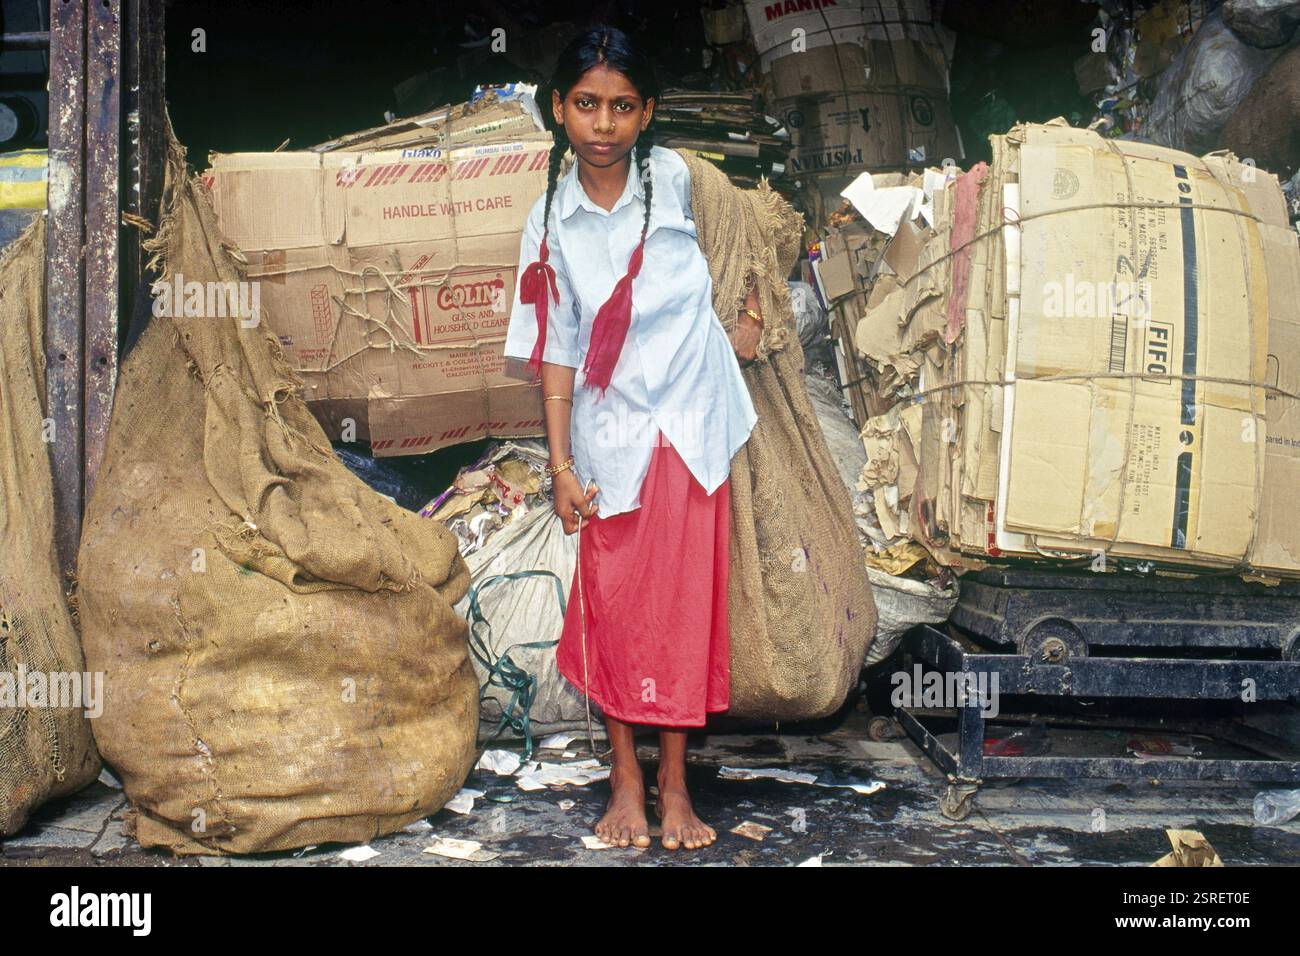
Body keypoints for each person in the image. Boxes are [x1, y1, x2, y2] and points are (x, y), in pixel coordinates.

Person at [502, 25, 766, 851]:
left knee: (682, 611)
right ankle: (624, 777)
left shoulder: (683, 180)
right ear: (559, 110)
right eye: (587, 104)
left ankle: (678, 786)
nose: (604, 124)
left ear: (647, 112)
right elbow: (555, 349)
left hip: (691, 425)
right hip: (610, 437)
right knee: (616, 606)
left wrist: (752, 316)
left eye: (622, 106)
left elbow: (751, 238)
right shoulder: (548, 222)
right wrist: (561, 466)